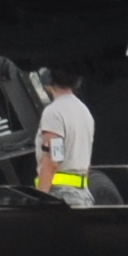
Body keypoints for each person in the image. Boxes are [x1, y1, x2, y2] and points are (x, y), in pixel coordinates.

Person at [31, 68, 96, 204]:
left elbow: (53, 160)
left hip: (61, 197)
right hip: (83, 195)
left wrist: (41, 199)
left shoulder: (54, 112)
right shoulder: (84, 111)